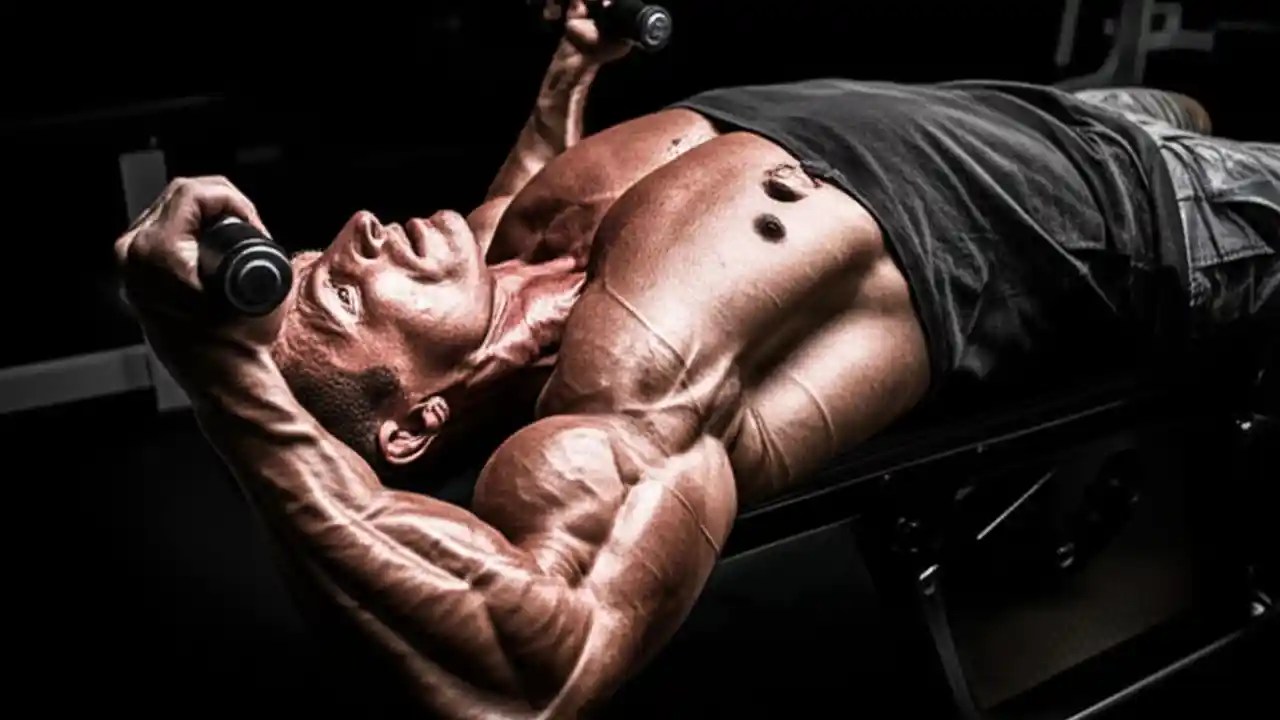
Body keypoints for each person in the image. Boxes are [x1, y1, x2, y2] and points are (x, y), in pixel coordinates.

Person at [114, 2, 1280, 716]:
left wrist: (570, 72)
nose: (356, 234)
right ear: (411, 425)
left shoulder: (504, 253)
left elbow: (510, 197)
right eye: (329, 290)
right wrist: (219, 373)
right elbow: (530, 679)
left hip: (1011, 116)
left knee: (1196, 90)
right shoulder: (624, 391)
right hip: (1146, 213)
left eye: (319, 248)